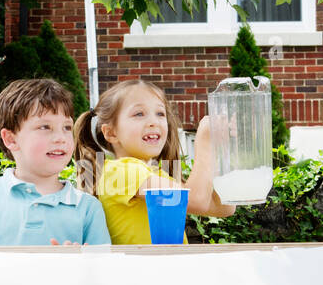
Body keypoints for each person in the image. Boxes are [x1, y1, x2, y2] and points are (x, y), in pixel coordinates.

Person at [74, 78, 236, 244]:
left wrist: (220, 149)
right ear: (111, 133)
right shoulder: (121, 171)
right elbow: (197, 200)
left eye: (160, 113)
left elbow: (225, 207)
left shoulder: (158, 175)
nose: (153, 122)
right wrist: (205, 142)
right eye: (139, 114)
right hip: (145, 270)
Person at [0, 78, 110, 246]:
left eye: (66, 128)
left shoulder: (87, 207)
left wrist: (77, 263)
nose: (61, 138)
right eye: (45, 127)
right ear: (11, 139)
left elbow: (101, 268)